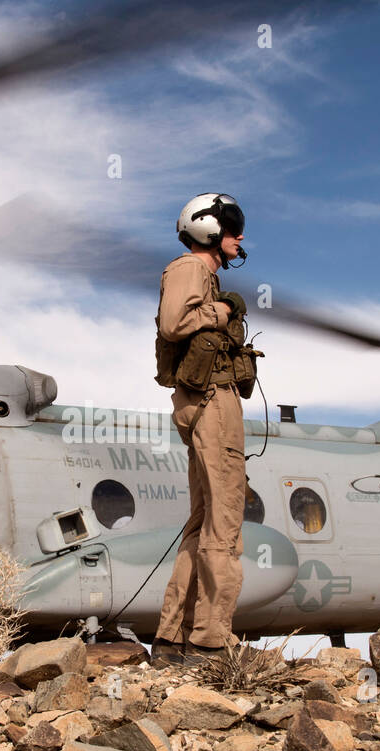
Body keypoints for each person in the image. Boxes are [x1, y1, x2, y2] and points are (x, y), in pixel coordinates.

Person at [150, 193, 250, 667]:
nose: (240, 237)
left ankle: (173, 640)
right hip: (212, 401)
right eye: (233, 228)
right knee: (227, 520)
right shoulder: (189, 270)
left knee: (204, 520)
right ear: (210, 230)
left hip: (202, 401)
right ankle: (211, 642)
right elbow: (174, 324)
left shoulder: (203, 277)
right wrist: (223, 312)